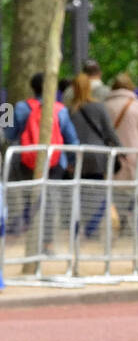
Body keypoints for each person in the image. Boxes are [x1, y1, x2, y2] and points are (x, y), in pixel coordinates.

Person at [6, 73, 80, 242]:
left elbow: (10, 134)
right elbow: (72, 139)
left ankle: (29, 237)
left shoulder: (20, 107)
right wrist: (72, 161)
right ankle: (47, 242)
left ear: (32, 88)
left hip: (26, 160)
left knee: (28, 196)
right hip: (55, 161)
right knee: (50, 199)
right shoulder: (60, 109)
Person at [69, 73, 123, 236]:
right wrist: (121, 149)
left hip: (79, 156)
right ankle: (91, 227)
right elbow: (109, 132)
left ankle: (79, 226)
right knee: (100, 192)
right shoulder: (98, 107)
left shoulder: (70, 110)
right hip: (98, 156)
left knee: (80, 193)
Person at [105, 72, 138, 230]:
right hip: (136, 154)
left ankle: (122, 220)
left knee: (117, 191)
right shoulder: (137, 105)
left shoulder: (106, 105)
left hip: (114, 156)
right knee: (136, 189)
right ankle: (134, 220)